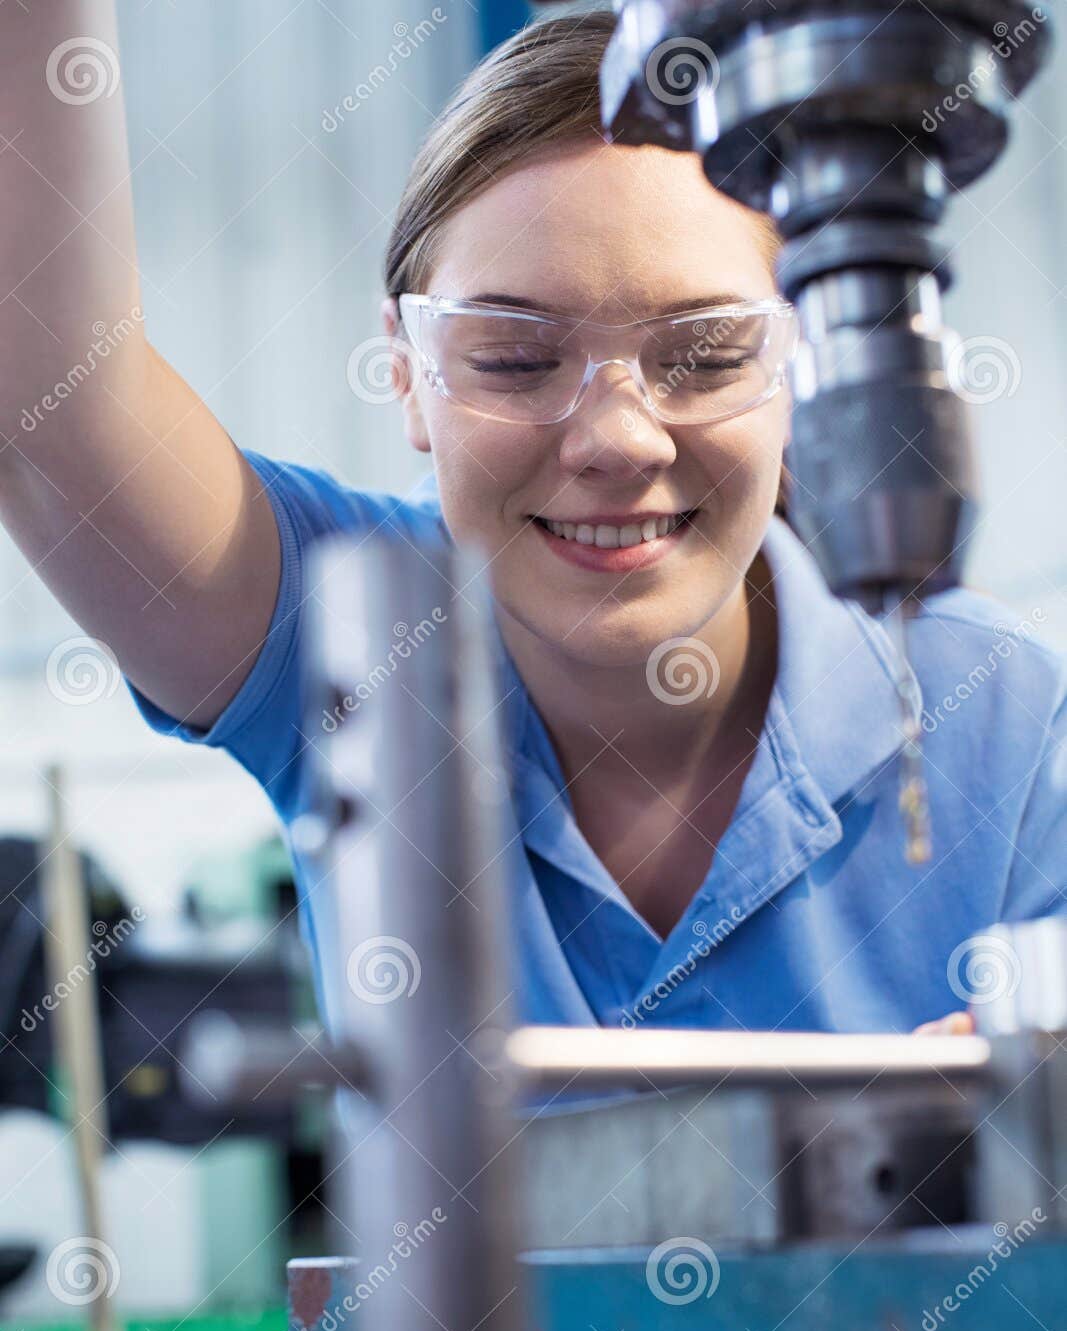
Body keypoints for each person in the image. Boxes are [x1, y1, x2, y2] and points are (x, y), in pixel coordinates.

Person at [2, 7, 1063, 1043]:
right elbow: (45, 415)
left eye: (701, 357)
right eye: (514, 358)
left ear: (799, 363)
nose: (617, 440)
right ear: (409, 374)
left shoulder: (1002, 719)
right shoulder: (351, 644)